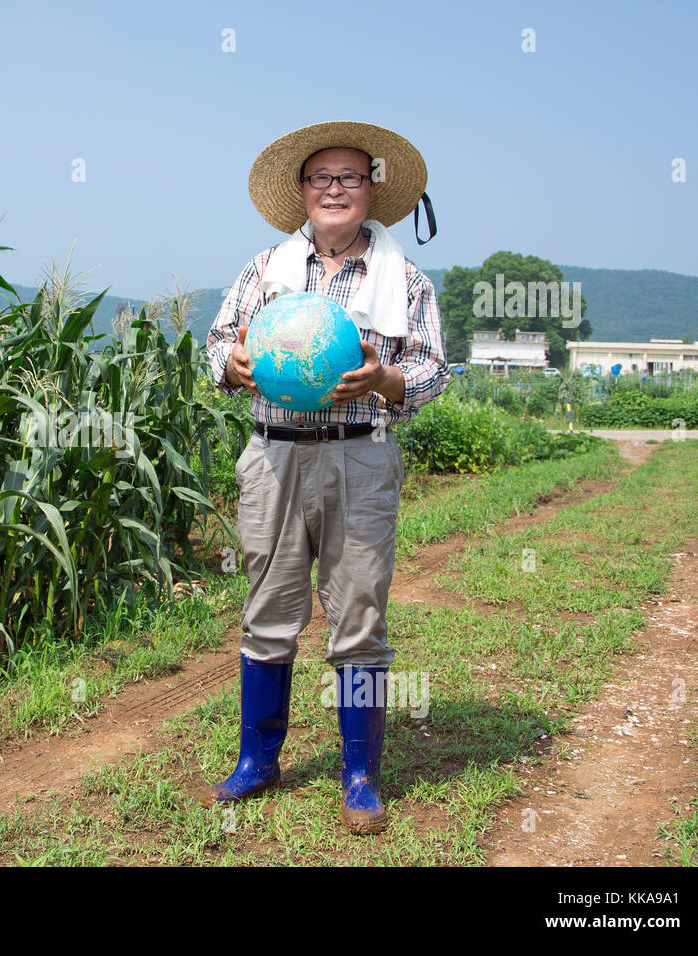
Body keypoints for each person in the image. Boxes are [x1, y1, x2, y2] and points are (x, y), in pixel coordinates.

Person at [199, 121, 449, 834]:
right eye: (321, 179)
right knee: (268, 609)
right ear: (302, 193)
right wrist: (231, 365)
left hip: (361, 455)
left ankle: (361, 775)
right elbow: (218, 341)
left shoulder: (405, 282)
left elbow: (434, 371)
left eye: (350, 177)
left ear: (373, 190)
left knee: (359, 616)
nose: (335, 190)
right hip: (274, 454)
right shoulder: (263, 270)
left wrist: (385, 379)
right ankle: (258, 761)